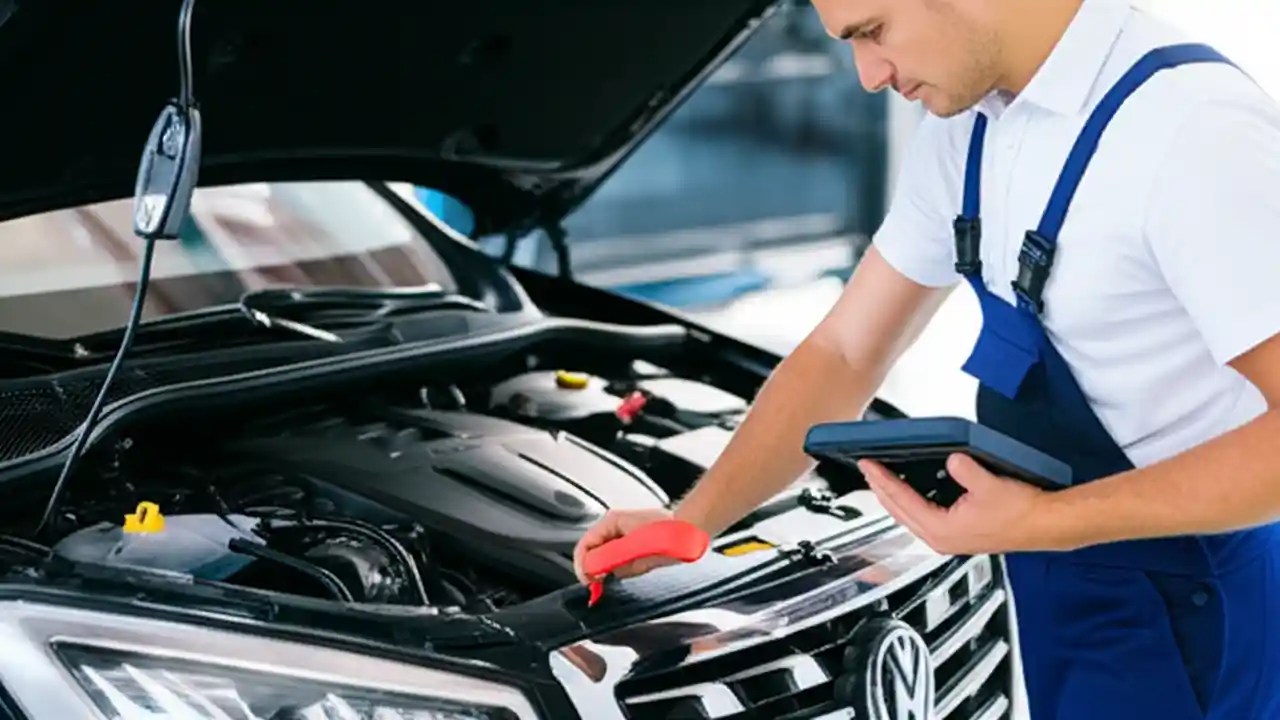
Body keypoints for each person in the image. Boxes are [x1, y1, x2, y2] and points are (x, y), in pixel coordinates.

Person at [571, 0, 1280, 717]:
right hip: (1080, 593)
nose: (869, 76)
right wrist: (697, 519)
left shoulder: (1193, 131)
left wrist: (1041, 523)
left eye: (872, 32)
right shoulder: (971, 130)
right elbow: (846, 350)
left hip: (1208, 616)